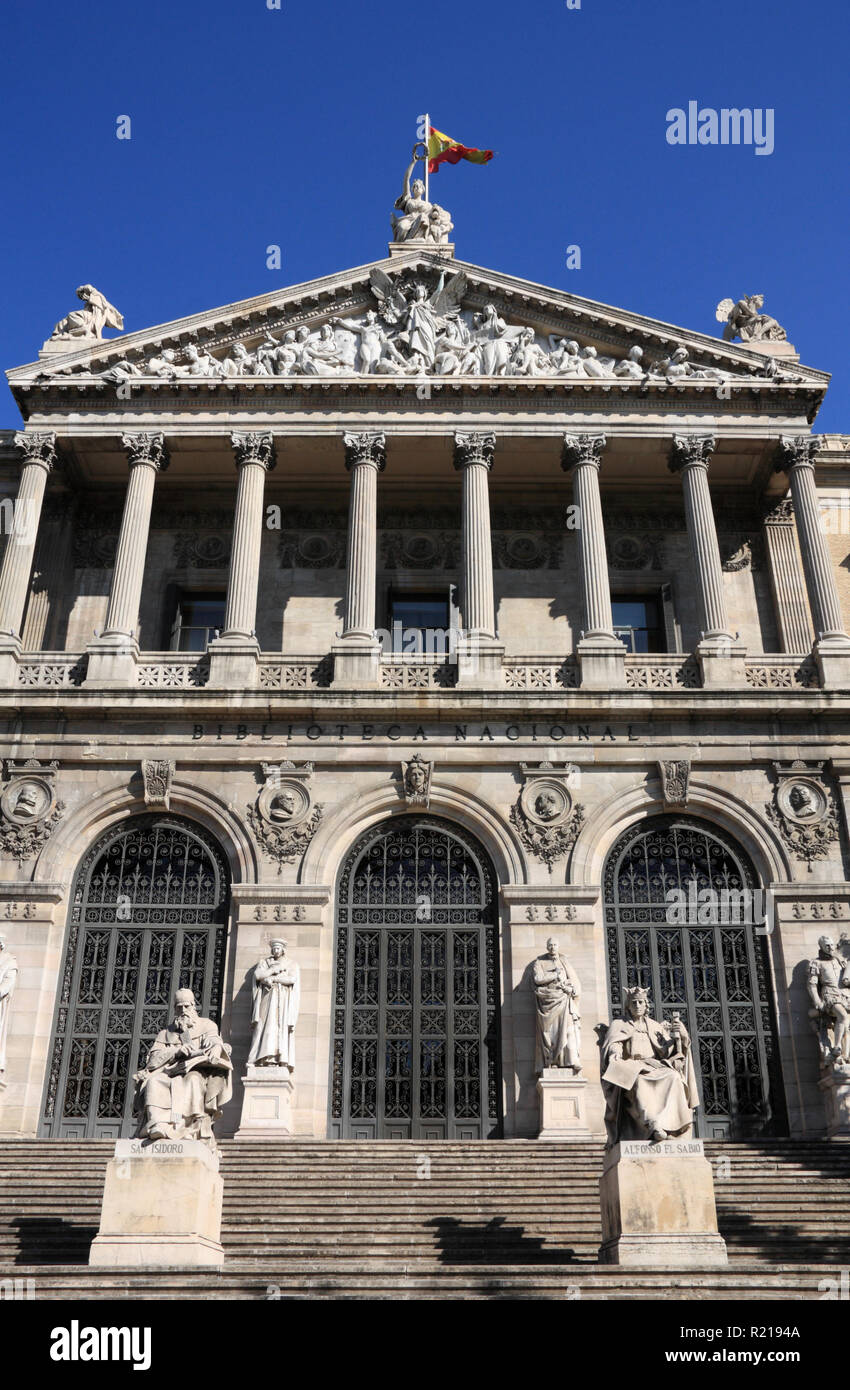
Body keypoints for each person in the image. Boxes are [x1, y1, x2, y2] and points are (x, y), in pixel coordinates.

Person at [600, 986, 698, 1145]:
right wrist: (614, 1054)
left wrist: (682, 1036)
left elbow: (668, 1052)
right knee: (638, 1081)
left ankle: (673, 1126)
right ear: (628, 1005)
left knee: (673, 1077)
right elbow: (614, 1044)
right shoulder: (619, 1024)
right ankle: (652, 1123)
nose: (637, 1006)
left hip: (654, 1065)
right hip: (632, 1065)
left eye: (640, 1002)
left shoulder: (654, 1026)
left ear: (646, 1005)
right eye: (634, 1003)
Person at [133, 988, 232, 1143]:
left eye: (187, 1006)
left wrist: (216, 1047)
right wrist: (176, 1051)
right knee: (154, 1081)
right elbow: (153, 1060)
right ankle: (158, 1125)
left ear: (194, 1006)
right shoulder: (166, 1033)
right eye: (179, 1007)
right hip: (169, 1073)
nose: (183, 1011)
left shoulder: (206, 1025)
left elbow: (214, 1039)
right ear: (174, 1008)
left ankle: (187, 1128)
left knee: (192, 1080)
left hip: (196, 1073)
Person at [248, 939, 301, 1069]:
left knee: (279, 1028)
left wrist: (274, 978)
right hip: (267, 998)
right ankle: (260, 1058)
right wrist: (272, 970)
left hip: (282, 1000)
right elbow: (258, 975)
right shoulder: (265, 963)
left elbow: (292, 979)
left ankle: (278, 1058)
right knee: (264, 1026)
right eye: (274, 949)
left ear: (283, 950)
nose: (276, 951)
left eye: (278, 948)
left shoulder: (291, 963)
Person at [532, 938, 581, 1072]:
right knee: (552, 1034)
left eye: (555, 945)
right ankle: (552, 1060)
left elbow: (574, 982)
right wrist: (555, 974)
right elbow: (538, 979)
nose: (553, 947)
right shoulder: (539, 962)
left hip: (564, 1000)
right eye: (550, 945)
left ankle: (570, 1060)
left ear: (558, 946)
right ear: (547, 947)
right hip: (548, 1002)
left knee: (568, 1031)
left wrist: (571, 990)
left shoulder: (564, 961)